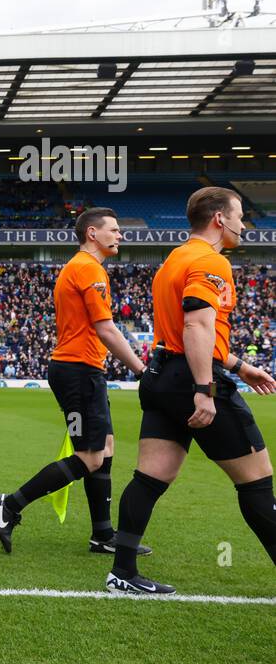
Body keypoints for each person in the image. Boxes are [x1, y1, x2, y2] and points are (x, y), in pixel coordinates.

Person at [106, 187, 276, 595]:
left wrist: (239, 365)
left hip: (162, 375)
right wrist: (205, 388)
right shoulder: (210, 261)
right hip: (192, 380)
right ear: (219, 218)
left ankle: (122, 573)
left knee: (150, 477)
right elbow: (196, 327)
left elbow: (190, 334)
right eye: (239, 217)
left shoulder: (175, 259)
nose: (243, 225)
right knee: (257, 482)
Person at [0, 208, 148, 555]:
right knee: (89, 457)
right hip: (77, 373)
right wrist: (141, 369)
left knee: (104, 448)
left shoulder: (83, 268)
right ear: (92, 233)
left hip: (85, 370)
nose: (120, 235)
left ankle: (103, 535)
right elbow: (105, 329)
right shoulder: (88, 269)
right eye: (114, 229)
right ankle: (10, 504)